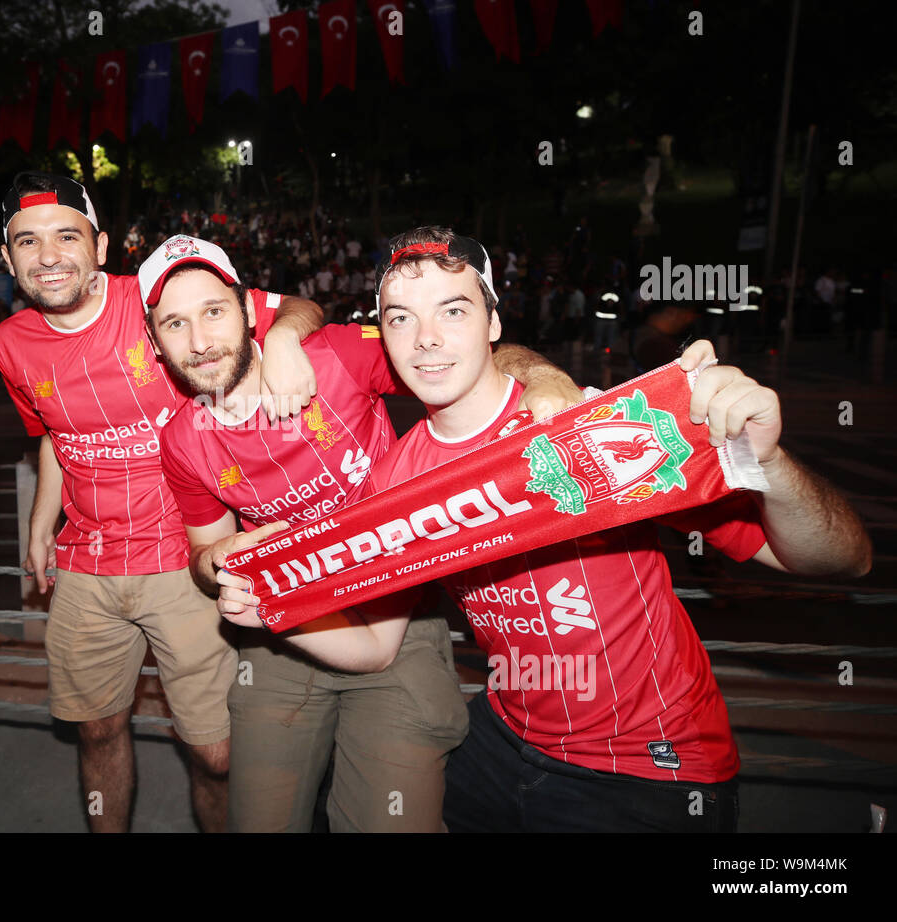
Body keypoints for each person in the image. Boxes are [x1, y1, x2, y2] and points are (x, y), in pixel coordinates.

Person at [219, 226, 871, 832]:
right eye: (401, 319)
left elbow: (843, 560)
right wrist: (275, 606)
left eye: (453, 311)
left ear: (494, 321)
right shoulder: (399, 475)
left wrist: (771, 462)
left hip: (649, 768)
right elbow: (376, 647)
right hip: (504, 743)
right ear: (384, 336)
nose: (426, 340)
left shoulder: (586, 423)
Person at [146, 234, 582, 831]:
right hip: (282, 634)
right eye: (175, 324)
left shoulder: (333, 356)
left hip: (398, 622)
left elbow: (452, 354)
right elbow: (202, 556)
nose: (198, 342)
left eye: (214, 312)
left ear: (250, 310)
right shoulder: (181, 441)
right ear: (155, 341)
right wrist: (219, 560)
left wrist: (543, 379)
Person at [0, 174, 324, 833]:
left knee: (216, 751)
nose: (48, 255)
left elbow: (295, 308)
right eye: (27, 241)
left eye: (67, 236)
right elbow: (56, 435)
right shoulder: (11, 344)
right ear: (7, 259)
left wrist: (284, 341)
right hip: (85, 565)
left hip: (189, 559)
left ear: (101, 245)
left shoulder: (161, 302)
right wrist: (39, 523)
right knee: (97, 730)